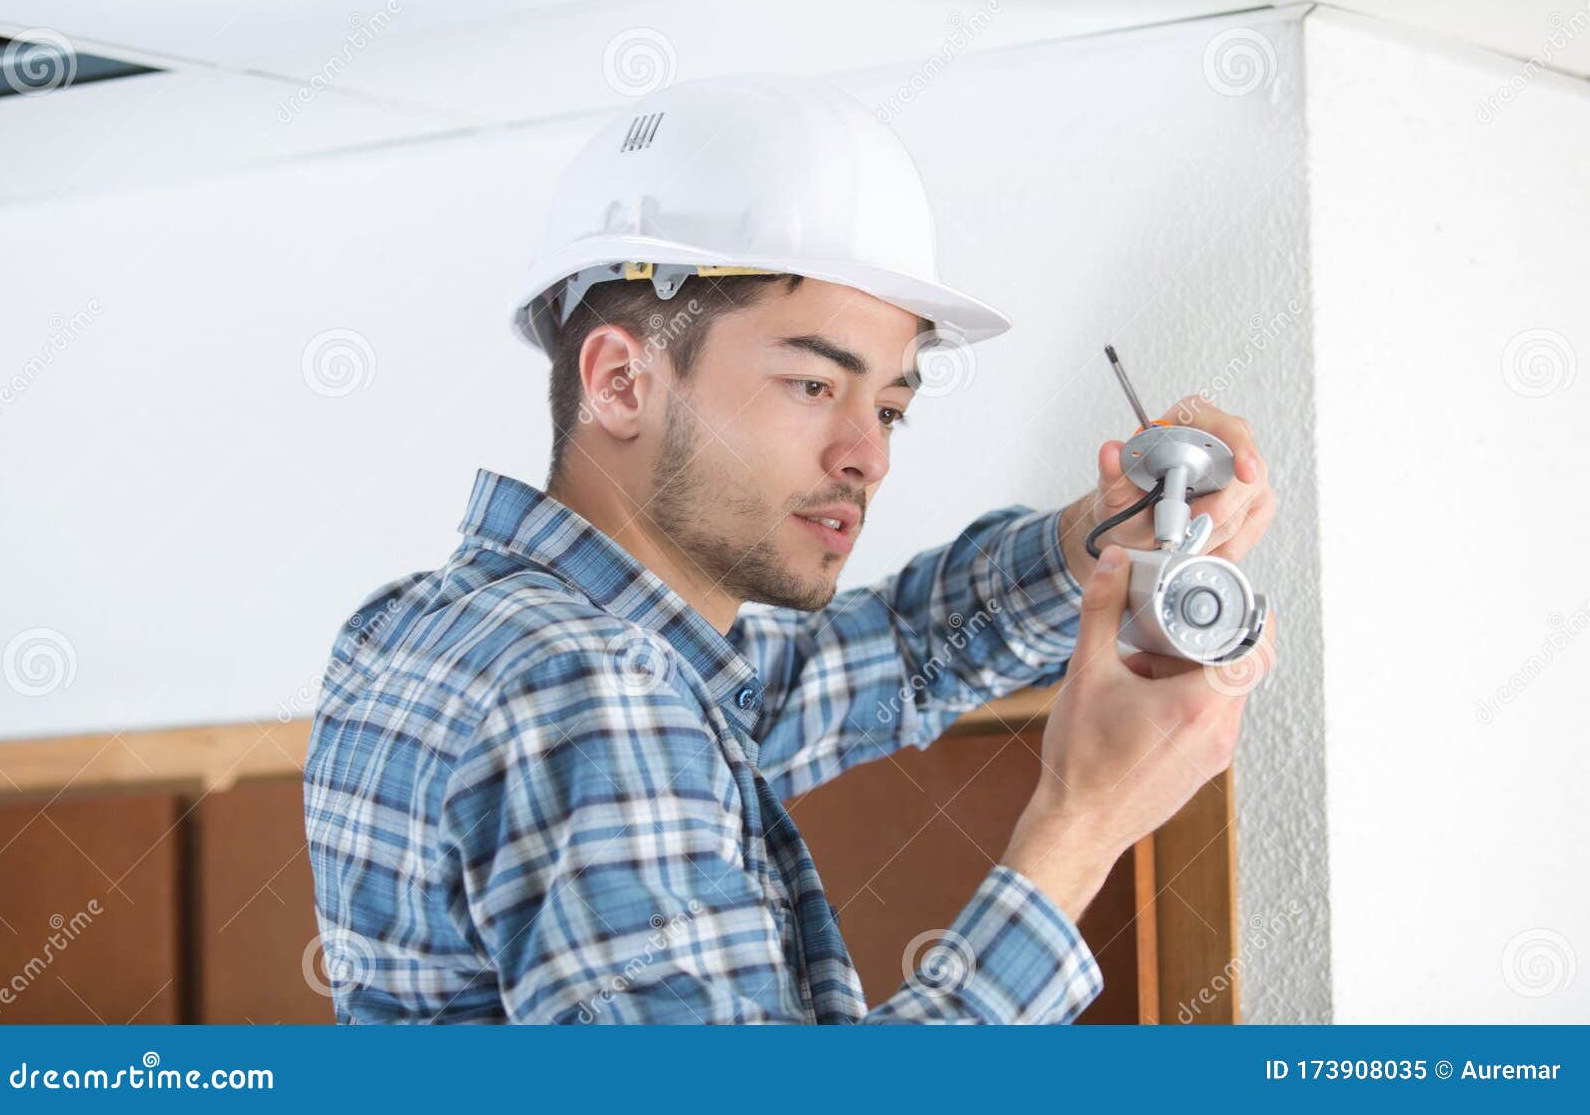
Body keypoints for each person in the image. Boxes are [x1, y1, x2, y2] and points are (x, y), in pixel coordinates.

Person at [302, 72, 1278, 1023]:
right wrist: (1082, 823)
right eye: (813, 385)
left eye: (890, 407)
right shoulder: (587, 690)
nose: (867, 457)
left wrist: (1093, 540)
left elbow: (891, 653)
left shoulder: (420, 628)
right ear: (619, 381)